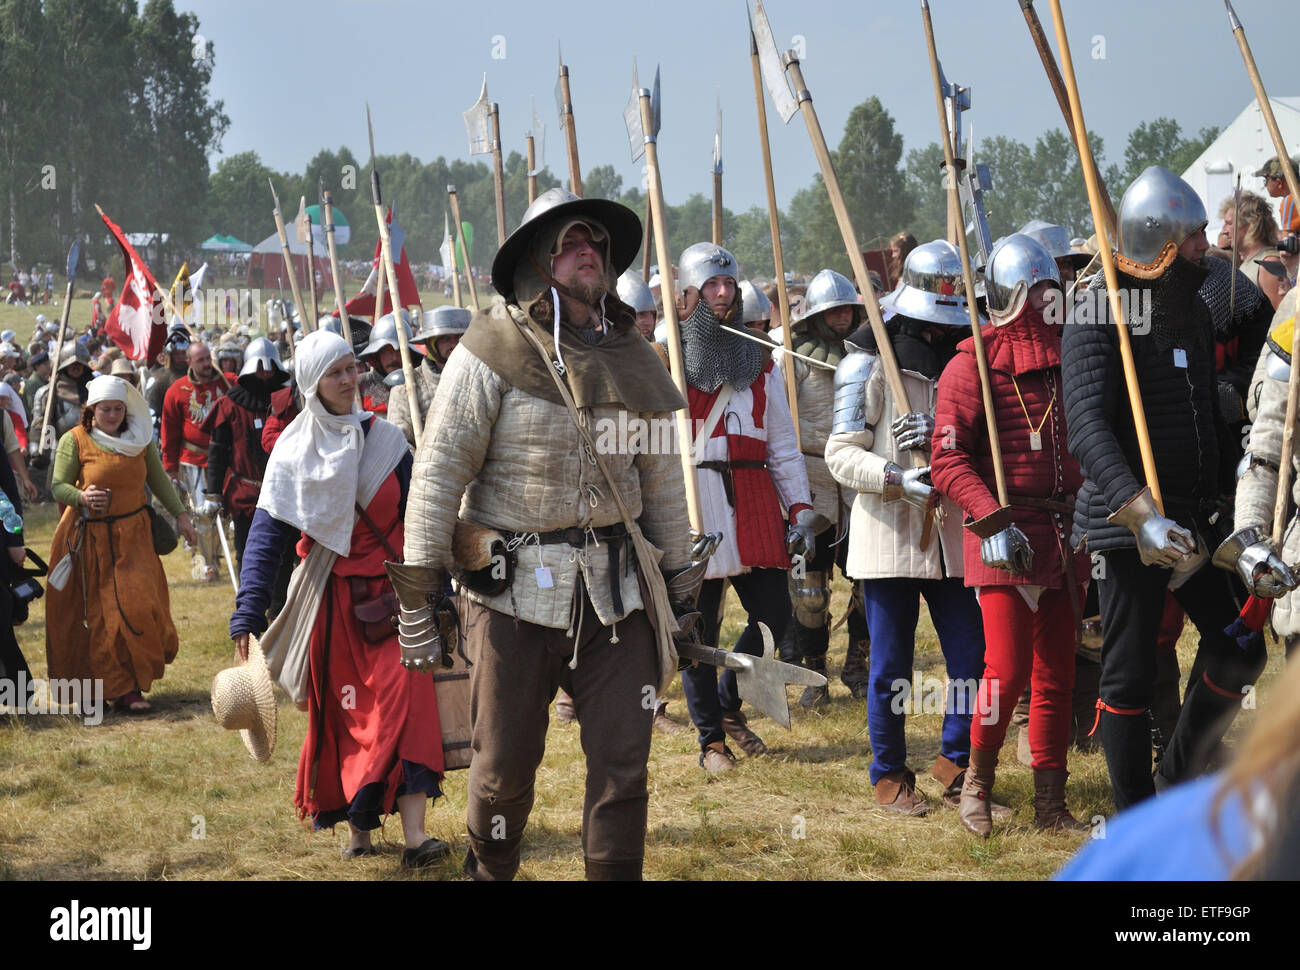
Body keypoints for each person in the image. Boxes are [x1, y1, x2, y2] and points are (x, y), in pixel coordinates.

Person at [398, 187, 692, 879]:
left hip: (616, 597)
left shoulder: (632, 353)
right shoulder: (488, 349)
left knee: (624, 764)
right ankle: (490, 869)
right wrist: (418, 595)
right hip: (512, 595)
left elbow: (663, 483)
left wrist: (681, 582)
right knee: (502, 772)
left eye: (594, 242)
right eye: (568, 242)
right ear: (538, 260)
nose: (586, 250)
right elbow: (438, 475)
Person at [1061, 165, 1261, 811]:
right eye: (1197, 235)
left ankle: (1179, 782)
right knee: (1129, 672)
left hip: (1193, 517)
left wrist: (1230, 515)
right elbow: (1087, 427)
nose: (1209, 246)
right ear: (1164, 240)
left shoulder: (1192, 312)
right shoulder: (1097, 306)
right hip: (1128, 523)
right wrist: (1140, 514)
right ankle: (1132, 816)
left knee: (1240, 648)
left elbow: (1204, 420)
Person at [229, 330, 447, 867]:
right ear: (311, 383)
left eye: (352, 368)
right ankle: (358, 831)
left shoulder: (390, 440)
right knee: (347, 718)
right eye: (336, 372)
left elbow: (424, 512)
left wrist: (439, 577)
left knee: (407, 706)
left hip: (399, 601)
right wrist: (247, 611)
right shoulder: (292, 452)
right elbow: (267, 536)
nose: (350, 380)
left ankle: (417, 837)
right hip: (334, 608)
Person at [825, 240, 991, 817]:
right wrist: (897, 474)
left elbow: (987, 443)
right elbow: (840, 455)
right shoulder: (867, 365)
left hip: (950, 537)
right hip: (888, 536)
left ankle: (954, 760)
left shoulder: (965, 365)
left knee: (973, 656)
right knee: (891, 664)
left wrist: (950, 431)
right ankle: (889, 774)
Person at [930, 233, 1089, 835]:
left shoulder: (1068, 358)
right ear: (1014, 295)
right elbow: (947, 460)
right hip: (1001, 528)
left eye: (1054, 291)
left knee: (1057, 672)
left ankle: (1051, 804)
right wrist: (990, 516)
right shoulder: (970, 364)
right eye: (1039, 292)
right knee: (1007, 668)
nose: (1049, 302)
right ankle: (977, 783)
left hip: (1062, 526)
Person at [672, 242, 815, 771]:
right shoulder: (666, 361)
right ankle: (711, 741)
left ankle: (731, 699)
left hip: (752, 499)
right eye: (711, 284)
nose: (724, 292)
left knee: (775, 617)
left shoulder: (761, 363)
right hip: (696, 504)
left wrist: (799, 508)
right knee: (698, 630)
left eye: (729, 283)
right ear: (688, 293)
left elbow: (781, 443)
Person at [45, 376, 198, 714]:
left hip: (135, 538)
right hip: (90, 538)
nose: (112, 415)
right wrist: (81, 495)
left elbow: (157, 479)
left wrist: (182, 516)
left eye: (118, 408)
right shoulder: (76, 440)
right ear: (92, 410)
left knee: (139, 607)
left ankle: (128, 682)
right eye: (105, 409)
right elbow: (57, 486)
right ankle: (111, 689)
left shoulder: (139, 440)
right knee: (99, 614)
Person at [776, 268, 871, 705]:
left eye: (847, 309)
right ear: (816, 314)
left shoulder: (868, 353)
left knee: (870, 578)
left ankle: (860, 664)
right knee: (809, 588)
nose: (842, 318)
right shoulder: (790, 357)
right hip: (810, 477)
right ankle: (815, 674)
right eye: (833, 311)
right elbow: (777, 419)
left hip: (856, 480)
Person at [201, 337, 290, 583]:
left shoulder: (288, 402)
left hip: (284, 494)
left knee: (284, 556)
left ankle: (278, 610)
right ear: (250, 366)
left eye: (269, 367)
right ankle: (250, 610)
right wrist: (213, 493)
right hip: (246, 496)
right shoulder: (229, 405)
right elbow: (217, 453)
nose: (264, 372)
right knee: (249, 555)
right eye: (259, 367)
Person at [160, 341, 233, 582]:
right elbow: (169, 432)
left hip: (225, 458)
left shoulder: (227, 381)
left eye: (207, 358)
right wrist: (169, 468)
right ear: (189, 362)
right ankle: (208, 564)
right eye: (200, 360)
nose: (206, 364)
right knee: (203, 513)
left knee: (224, 513)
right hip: (194, 460)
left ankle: (218, 554)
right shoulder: (177, 390)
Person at [387, 305, 471, 449]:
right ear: (431, 344)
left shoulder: (484, 380)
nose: (454, 345)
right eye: (445, 339)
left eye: (459, 337)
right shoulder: (406, 388)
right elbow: (399, 445)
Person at [1217, 190, 1288, 310]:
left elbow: (1282, 319)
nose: (1224, 230)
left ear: (1250, 224)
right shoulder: (1249, 262)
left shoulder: (1268, 263)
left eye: (1229, 223)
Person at [30, 344, 93, 453]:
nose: (76, 367)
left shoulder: (96, 387)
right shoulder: (47, 393)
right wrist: (38, 448)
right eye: (72, 364)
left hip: (94, 446)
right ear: (64, 366)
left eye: (79, 364)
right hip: (62, 448)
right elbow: (40, 424)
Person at [357, 310, 413, 417]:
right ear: (376, 355)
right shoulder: (359, 385)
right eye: (387, 352)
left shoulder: (419, 383)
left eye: (399, 351)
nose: (394, 358)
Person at [617, 271, 658, 340]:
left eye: (653, 314)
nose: (650, 322)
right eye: (641, 314)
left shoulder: (660, 349)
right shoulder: (607, 350)